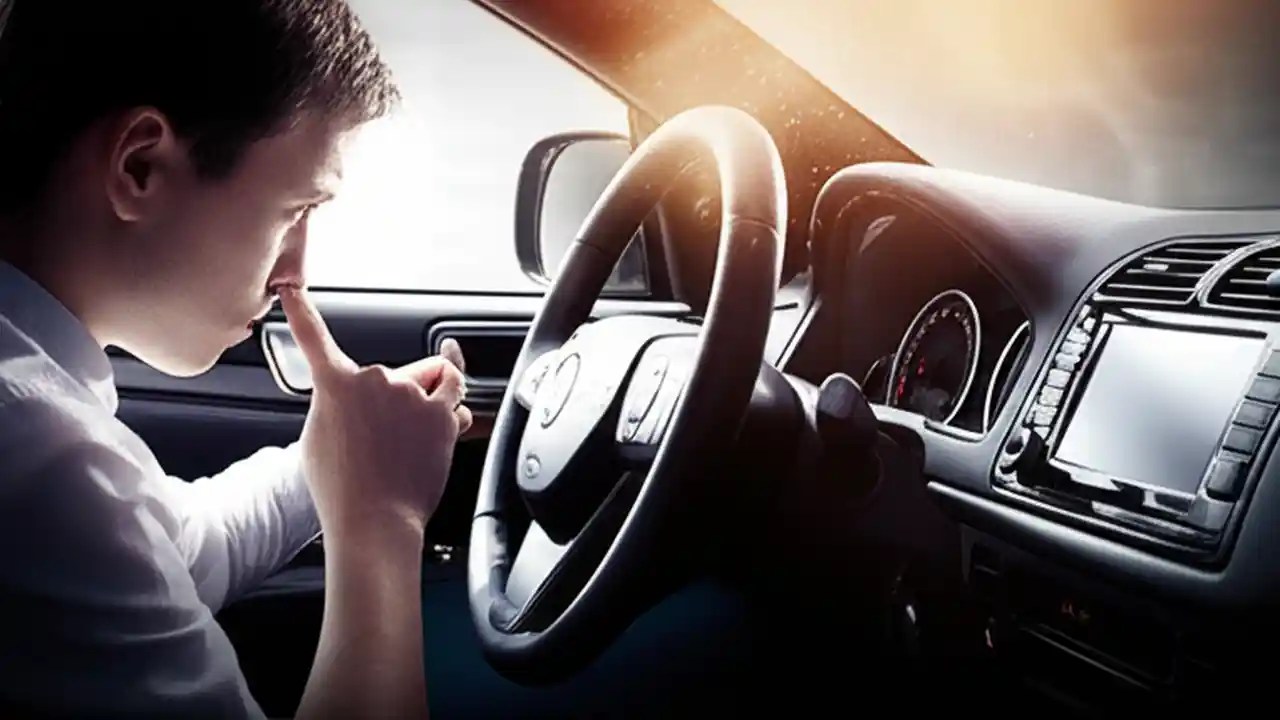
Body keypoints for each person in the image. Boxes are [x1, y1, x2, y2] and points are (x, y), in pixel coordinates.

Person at [0, 1, 469, 717]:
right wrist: (383, 520)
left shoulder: (42, 407)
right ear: (141, 167)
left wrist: (346, 457)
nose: (296, 273)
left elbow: (186, 550)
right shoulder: (42, 458)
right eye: (292, 212)